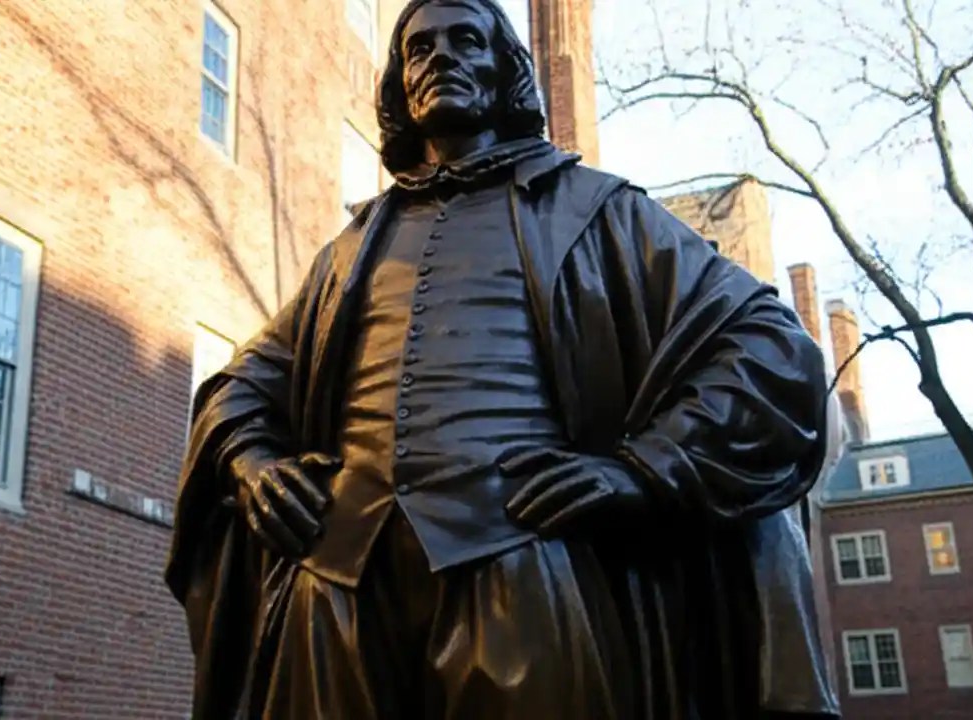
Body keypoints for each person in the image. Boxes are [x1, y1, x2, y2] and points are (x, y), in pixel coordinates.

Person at [165, 1, 839, 717]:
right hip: (335, 587)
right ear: (399, 82)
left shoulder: (594, 211)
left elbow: (772, 347)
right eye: (419, 48)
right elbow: (239, 385)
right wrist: (253, 464)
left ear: (507, 70)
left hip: (519, 565)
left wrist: (642, 469)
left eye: (466, 41)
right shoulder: (348, 252)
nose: (441, 58)